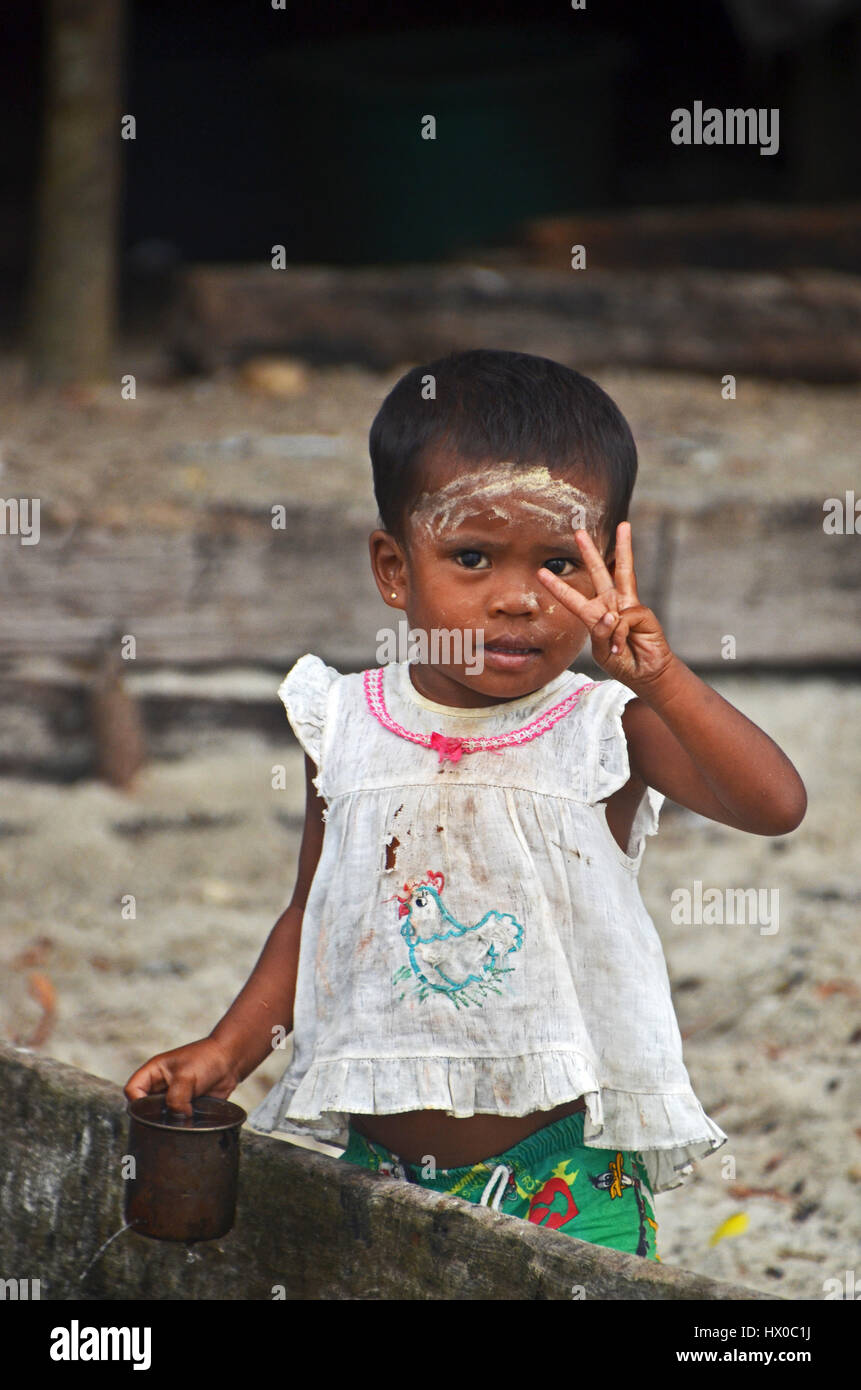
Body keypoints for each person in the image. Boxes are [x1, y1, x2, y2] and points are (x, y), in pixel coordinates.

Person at [125, 349, 807, 1263]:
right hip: (376, 1172)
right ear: (395, 569)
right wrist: (227, 1050)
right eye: (472, 556)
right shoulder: (347, 722)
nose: (518, 598)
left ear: (607, 566)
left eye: (560, 562)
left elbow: (773, 805)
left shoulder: (605, 725)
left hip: (562, 1175)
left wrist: (664, 679)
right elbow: (314, 914)